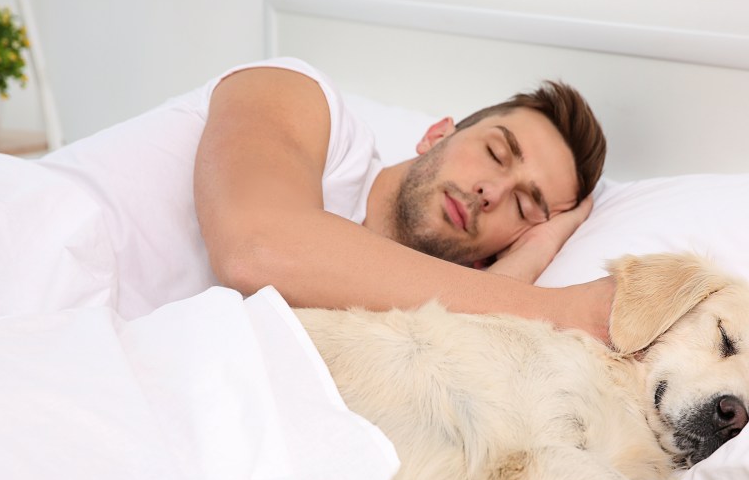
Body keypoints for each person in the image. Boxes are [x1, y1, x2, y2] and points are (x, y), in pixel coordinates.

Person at [193, 58, 616, 344]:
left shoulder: (411, 321)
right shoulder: (299, 93)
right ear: (437, 134)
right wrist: (558, 310)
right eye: (495, 154)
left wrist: (539, 248)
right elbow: (257, 249)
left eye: (523, 208)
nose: (493, 192)